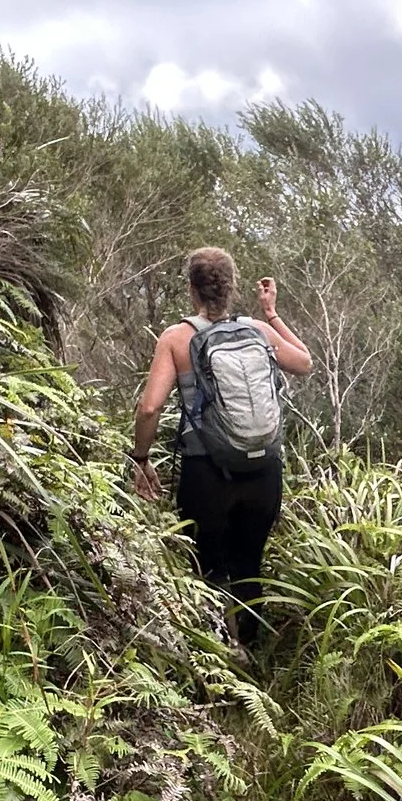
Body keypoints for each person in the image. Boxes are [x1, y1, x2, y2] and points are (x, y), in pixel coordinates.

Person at [131, 247, 313, 636]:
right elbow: (304, 362)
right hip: (264, 470)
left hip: (206, 472)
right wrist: (271, 314)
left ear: (191, 290)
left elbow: (149, 409)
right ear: (231, 288)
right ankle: (255, 668)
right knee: (249, 566)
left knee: (208, 571)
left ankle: (218, 667)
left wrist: (140, 458)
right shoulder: (257, 331)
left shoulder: (177, 338)